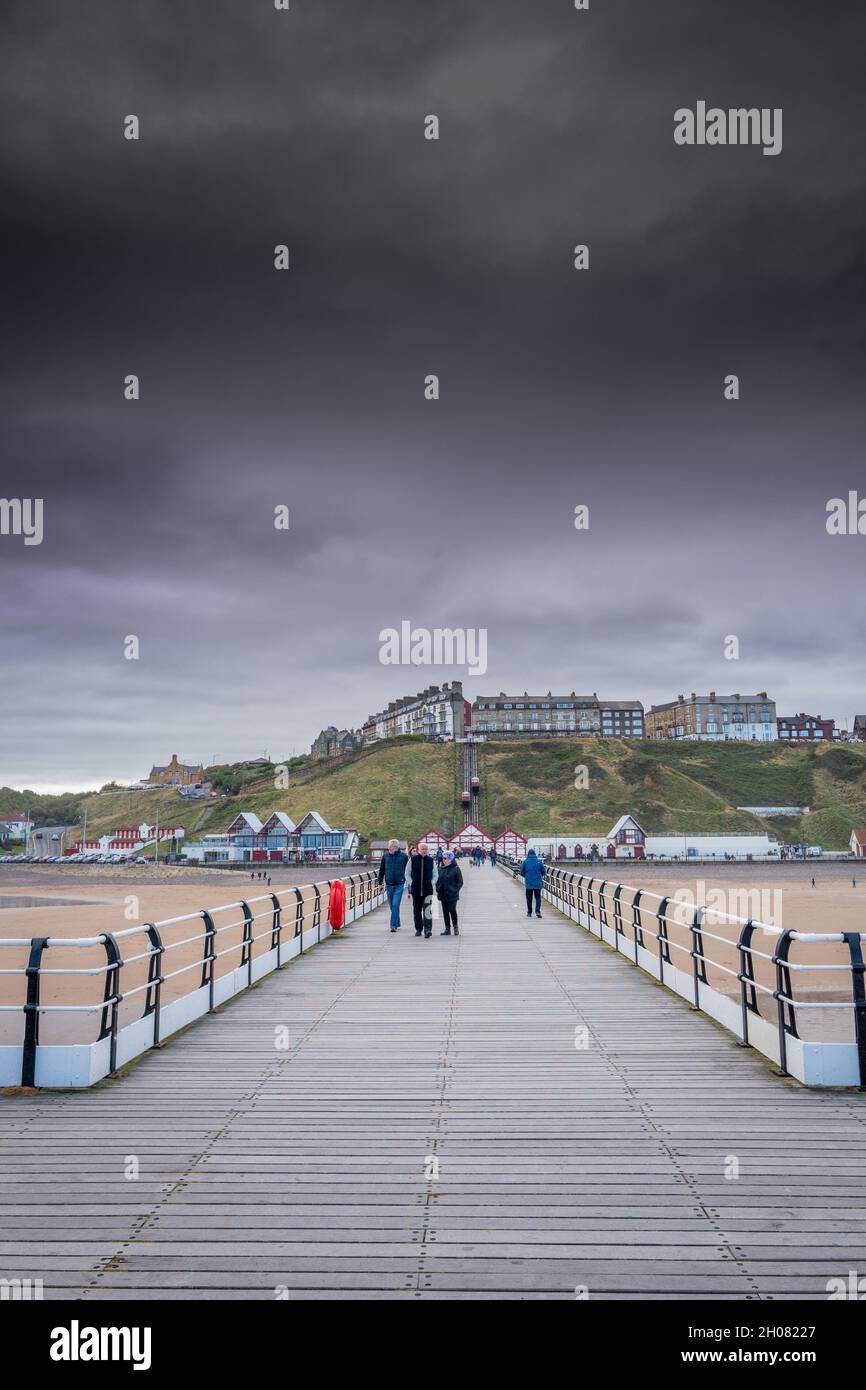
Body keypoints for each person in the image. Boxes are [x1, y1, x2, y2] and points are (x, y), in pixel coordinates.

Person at [378, 839, 409, 932]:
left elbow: (408, 870)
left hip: (399, 884)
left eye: (390, 848)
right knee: (392, 906)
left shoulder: (404, 856)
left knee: (395, 905)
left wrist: (408, 880)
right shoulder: (386, 856)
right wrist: (380, 883)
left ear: (396, 847)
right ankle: (397, 921)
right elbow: (381, 870)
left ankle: (393, 925)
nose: (389, 849)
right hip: (389, 884)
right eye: (389, 847)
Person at [409, 842, 436, 938]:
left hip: (427, 889)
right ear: (419, 850)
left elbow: (435, 874)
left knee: (427, 910)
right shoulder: (412, 860)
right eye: (423, 849)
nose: (424, 850)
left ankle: (428, 930)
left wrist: (431, 883)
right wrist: (411, 882)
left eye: (426, 849)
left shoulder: (431, 860)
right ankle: (418, 929)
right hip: (416, 890)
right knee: (417, 911)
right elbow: (407, 873)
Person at [436, 850, 463, 935]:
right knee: (445, 911)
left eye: (445, 858)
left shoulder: (456, 868)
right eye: (442, 858)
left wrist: (454, 890)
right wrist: (438, 888)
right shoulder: (440, 868)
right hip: (443, 893)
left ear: (450, 859)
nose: (443, 860)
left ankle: (455, 927)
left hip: (452, 894)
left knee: (452, 909)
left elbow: (460, 882)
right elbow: (437, 880)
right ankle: (447, 929)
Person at [520, 848, 544, 918]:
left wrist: (527, 876)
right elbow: (544, 872)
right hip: (537, 883)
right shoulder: (539, 862)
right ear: (534, 854)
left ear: (528, 854)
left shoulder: (525, 862)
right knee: (538, 898)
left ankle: (529, 912)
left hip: (529, 883)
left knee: (529, 898)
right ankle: (538, 911)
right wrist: (538, 876)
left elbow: (521, 872)